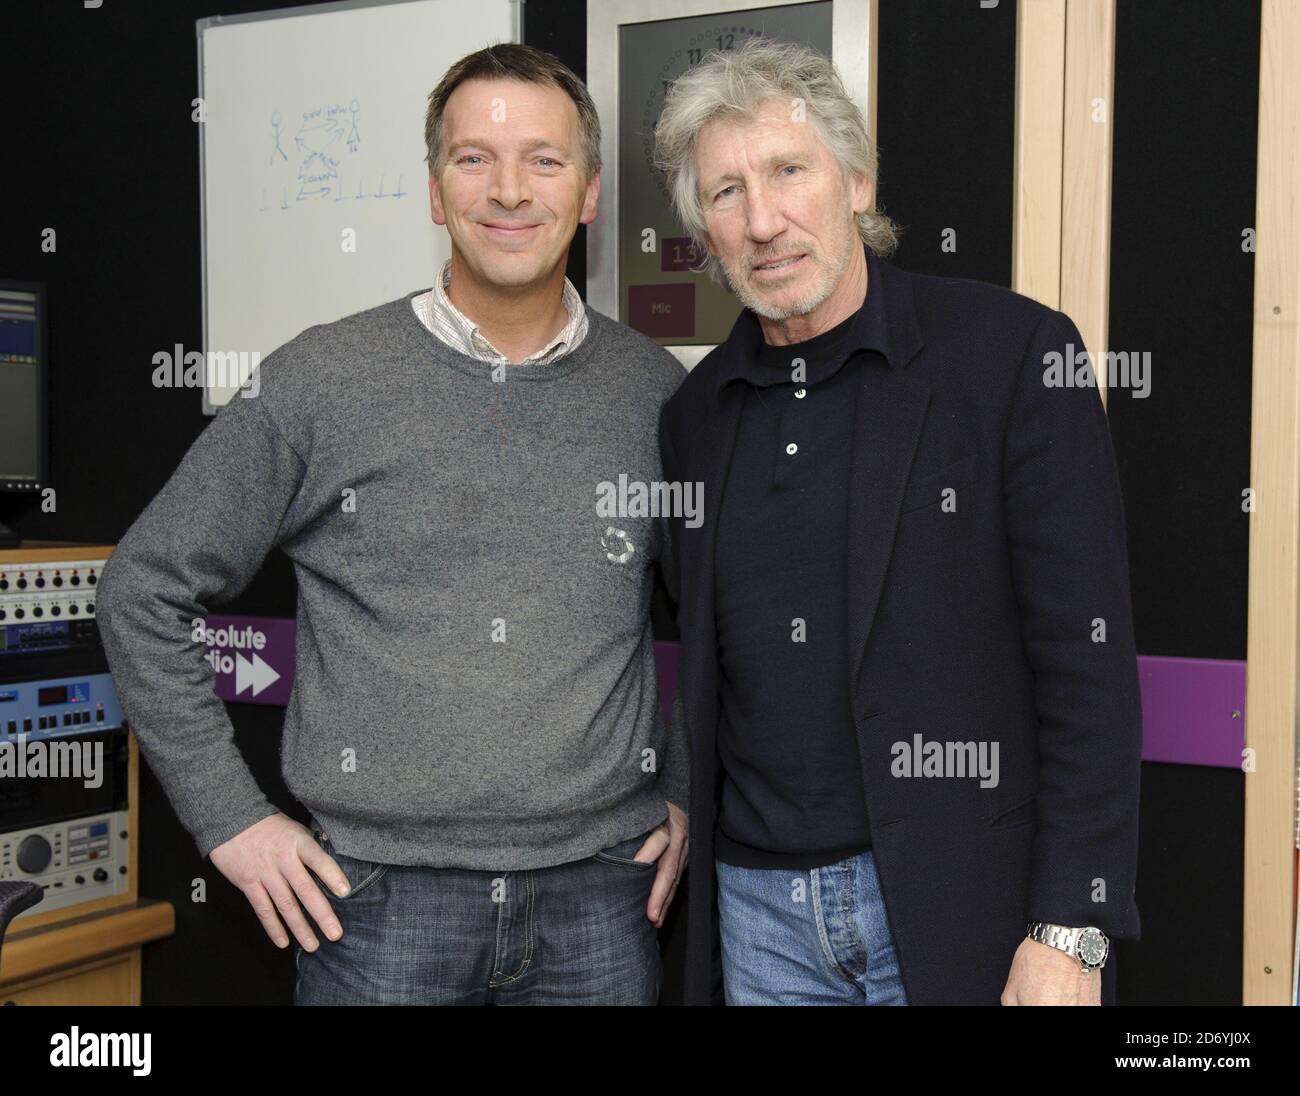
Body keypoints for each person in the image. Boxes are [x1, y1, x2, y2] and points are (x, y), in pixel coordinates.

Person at [96, 43, 689, 1006]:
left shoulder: (657, 394)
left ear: (588, 194)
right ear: (432, 188)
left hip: (603, 903)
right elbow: (141, 587)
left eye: (544, 159)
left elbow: (731, 611)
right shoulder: (322, 380)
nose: (508, 190)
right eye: (473, 158)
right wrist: (229, 820)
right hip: (375, 907)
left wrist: (692, 790)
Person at [653, 37, 1141, 1006]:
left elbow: (1088, 668)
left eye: (789, 170)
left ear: (858, 180)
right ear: (702, 229)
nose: (762, 219)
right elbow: (702, 660)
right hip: (755, 917)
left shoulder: (1011, 359)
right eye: (725, 192)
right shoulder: (692, 416)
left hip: (965, 906)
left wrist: (1070, 930)